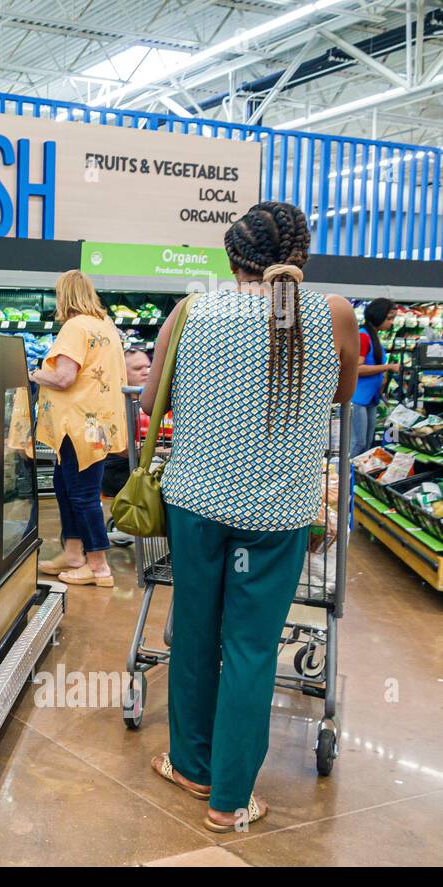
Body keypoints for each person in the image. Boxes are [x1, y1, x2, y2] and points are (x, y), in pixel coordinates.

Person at [143, 201, 359, 832]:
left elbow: (157, 391)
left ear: (230, 255)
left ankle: (190, 765)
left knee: (194, 634)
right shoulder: (335, 314)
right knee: (250, 649)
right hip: (278, 510)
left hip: (196, 503)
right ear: (301, 256)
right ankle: (228, 800)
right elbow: (341, 393)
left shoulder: (191, 310)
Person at [30, 270, 127, 587]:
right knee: (65, 485)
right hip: (96, 424)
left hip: (78, 424)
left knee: (83, 494)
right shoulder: (105, 325)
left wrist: (32, 373)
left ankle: (98, 566)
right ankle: (73, 554)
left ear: (64, 296)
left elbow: (63, 378)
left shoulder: (75, 327)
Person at [101, 347, 152, 545]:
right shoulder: (115, 407)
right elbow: (121, 448)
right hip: (117, 471)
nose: (146, 371)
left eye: (149, 366)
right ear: (122, 373)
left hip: (137, 465)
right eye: (138, 368)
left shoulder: (145, 401)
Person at [349, 298, 399, 458]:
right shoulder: (363, 336)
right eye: (389, 318)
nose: (391, 323)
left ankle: (358, 478)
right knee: (359, 443)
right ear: (379, 316)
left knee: (369, 442)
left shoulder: (373, 336)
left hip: (370, 398)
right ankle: (346, 479)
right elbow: (356, 368)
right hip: (358, 399)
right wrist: (388, 367)